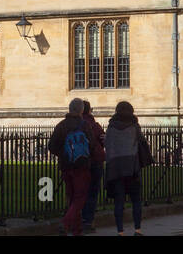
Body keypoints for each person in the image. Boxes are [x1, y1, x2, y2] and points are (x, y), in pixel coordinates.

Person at [47, 98, 100, 236]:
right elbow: (92, 145)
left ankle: (77, 231)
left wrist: (64, 154)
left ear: (70, 109)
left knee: (71, 197)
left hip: (66, 167)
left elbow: (51, 146)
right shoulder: (84, 125)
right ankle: (65, 223)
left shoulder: (61, 125)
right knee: (80, 198)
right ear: (82, 110)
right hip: (81, 167)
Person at [104, 101, 150, 235]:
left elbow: (107, 144)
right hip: (132, 167)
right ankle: (138, 229)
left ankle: (120, 231)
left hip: (116, 168)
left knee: (119, 201)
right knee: (136, 200)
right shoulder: (134, 126)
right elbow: (142, 142)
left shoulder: (111, 127)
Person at [80, 99, 108, 232]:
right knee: (92, 192)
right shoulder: (94, 124)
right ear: (89, 110)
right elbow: (103, 140)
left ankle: (76, 219)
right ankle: (87, 222)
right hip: (95, 162)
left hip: (79, 162)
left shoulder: (74, 124)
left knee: (79, 192)